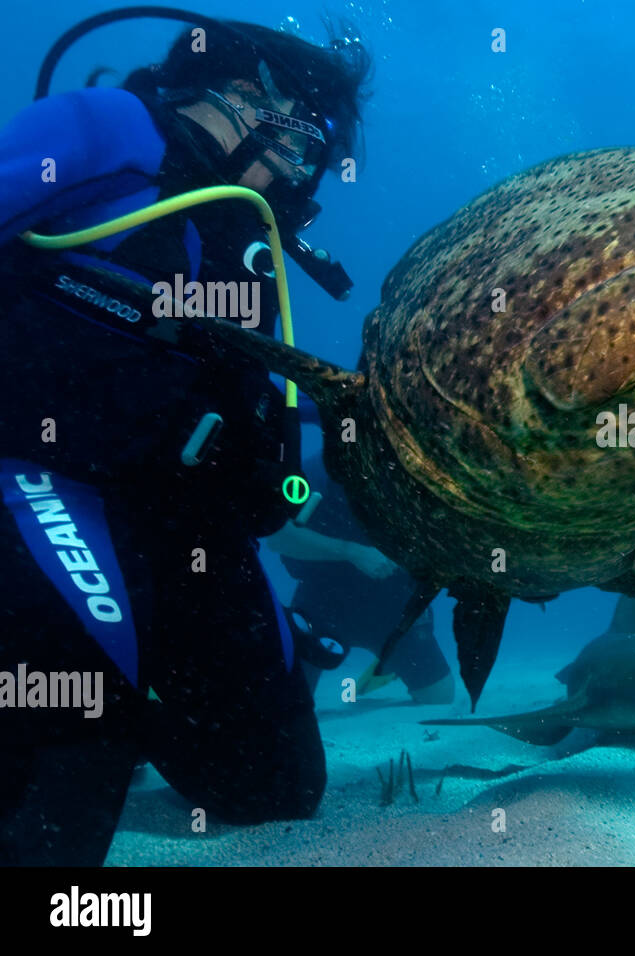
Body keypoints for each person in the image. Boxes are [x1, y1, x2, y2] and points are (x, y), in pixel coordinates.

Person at [0, 14, 370, 865]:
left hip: (181, 526)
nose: (307, 173)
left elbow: (251, 401)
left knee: (274, 783)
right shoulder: (106, 129)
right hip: (50, 479)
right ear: (243, 96)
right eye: (306, 140)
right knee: (73, 746)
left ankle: (122, 681)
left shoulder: (249, 242)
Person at [266, 454, 455, 705]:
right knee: (290, 703)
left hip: (392, 605)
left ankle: (391, 664)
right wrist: (351, 552)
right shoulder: (311, 475)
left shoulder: (413, 477)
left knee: (440, 698)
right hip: (321, 604)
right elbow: (277, 537)